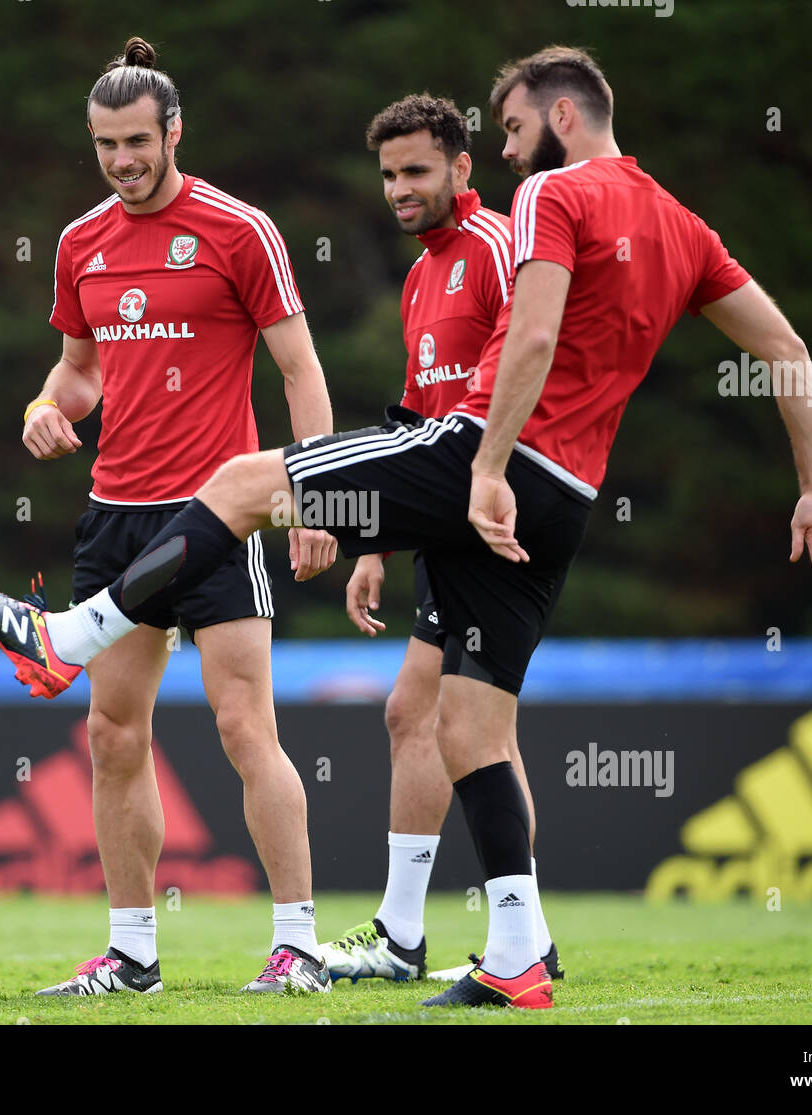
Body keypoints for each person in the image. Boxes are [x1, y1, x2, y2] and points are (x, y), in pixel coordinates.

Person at [0, 45, 812, 1010]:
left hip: (485, 460)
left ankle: (68, 636)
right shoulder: (683, 225)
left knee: (241, 483)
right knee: (467, 724)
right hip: (571, 492)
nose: (506, 154)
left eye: (509, 131)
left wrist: (488, 465)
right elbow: (788, 348)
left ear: (559, 118)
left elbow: (538, 337)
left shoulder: (552, 200)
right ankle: (517, 954)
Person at [0, 36, 339, 997]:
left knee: (244, 724)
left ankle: (296, 944)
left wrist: (315, 495)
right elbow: (79, 373)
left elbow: (299, 369)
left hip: (219, 513)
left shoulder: (238, 230)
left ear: (174, 131)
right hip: (115, 515)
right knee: (112, 735)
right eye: (104, 146)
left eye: (137, 141)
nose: (123, 162)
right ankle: (132, 954)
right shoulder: (81, 242)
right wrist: (47, 412)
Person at [315, 93, 564, 987]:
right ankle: (516, 933)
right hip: (442, 513)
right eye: (388, 174)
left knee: (442, 720)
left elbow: (543, 360)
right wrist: (375, 541)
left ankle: (407, 933)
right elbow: (418, 422)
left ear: (464, 168)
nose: (399, 189)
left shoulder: (501, 246)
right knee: (456, 724)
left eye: (417, 169)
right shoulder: (422, 275)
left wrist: (496, 483)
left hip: (493, 511)